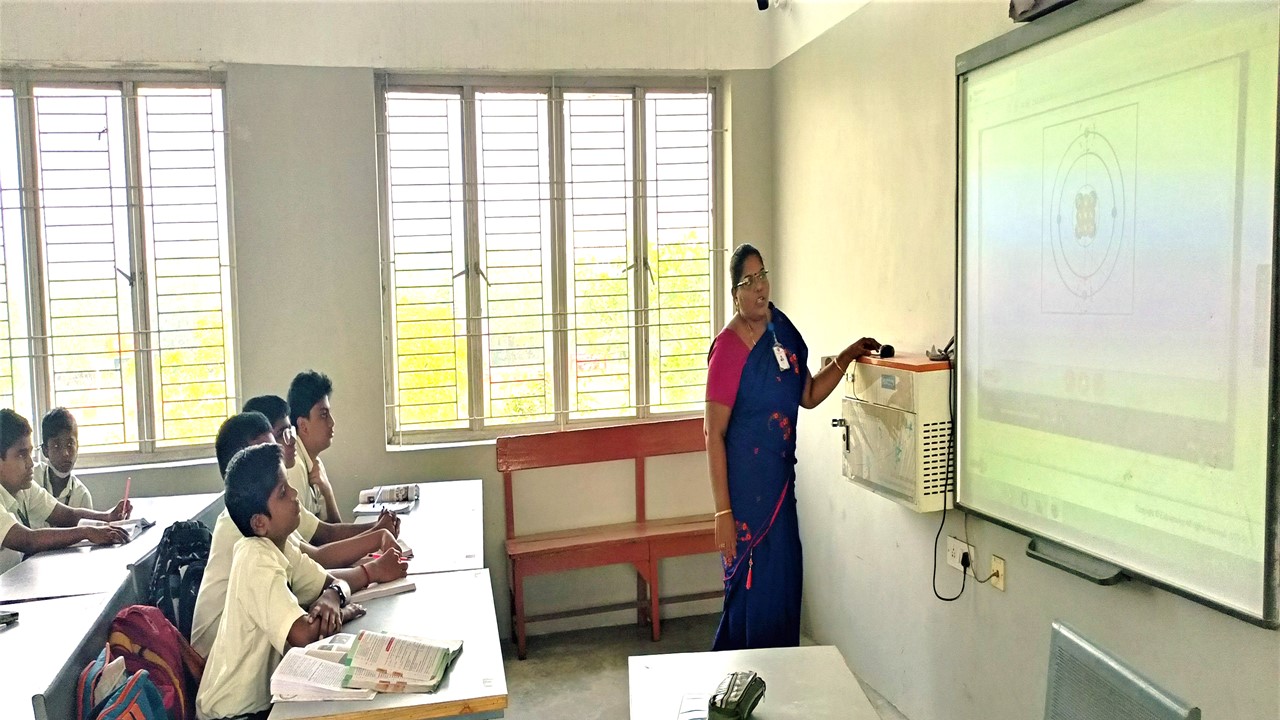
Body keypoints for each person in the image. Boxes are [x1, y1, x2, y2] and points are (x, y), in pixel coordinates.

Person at [704, 244, 878, 650]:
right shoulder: (728, 350)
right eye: (749, 281)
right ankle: (736, 689)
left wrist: (848, 357)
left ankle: (779, 691)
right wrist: (722, 512)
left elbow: (809, 394)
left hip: (781, 490)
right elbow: (712, 435)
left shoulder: (782, 332)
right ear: (735, 294)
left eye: (763, 275)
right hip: (745, 498)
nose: (760, 287)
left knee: (782, 586)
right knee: (749, 596)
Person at [190, 412, 407, 659]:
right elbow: (321, 555)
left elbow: (316, 572)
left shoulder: (272, 517)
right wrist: (374, 555)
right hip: (219, 655)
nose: (280, 453)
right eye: (265, 450)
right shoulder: (245, 533)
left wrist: (361, 573)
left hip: (261, 652)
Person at [195, 443, 369, 720]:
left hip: (262, 703)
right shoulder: (255, 558)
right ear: (259, 523)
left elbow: (334, 582)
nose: (295, 495)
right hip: (230, 714)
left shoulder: (280, 546)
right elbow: (304, 635)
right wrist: (341, 609)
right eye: (283, 493)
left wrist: (332, 595)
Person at [0, 409, 132, 574]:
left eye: (30, 453)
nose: (30, 463)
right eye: (21, 455)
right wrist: (85, 532)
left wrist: (107, 517)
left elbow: (66, 515)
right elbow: (28, 540)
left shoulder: (22, 487)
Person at [285, 371, 344, 524]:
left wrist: (327, 491)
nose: (332, 422)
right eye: (324, 415)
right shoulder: (294, 466)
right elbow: (313, 540)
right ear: (303, 426)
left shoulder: (314, 462)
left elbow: (335, 528)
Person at [33, 407, 93, 514]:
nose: (65, 453)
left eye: (70, 444)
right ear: (45, 450)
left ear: (77, 446)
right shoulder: (32, 479)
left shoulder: (81, 495)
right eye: (56, 445)